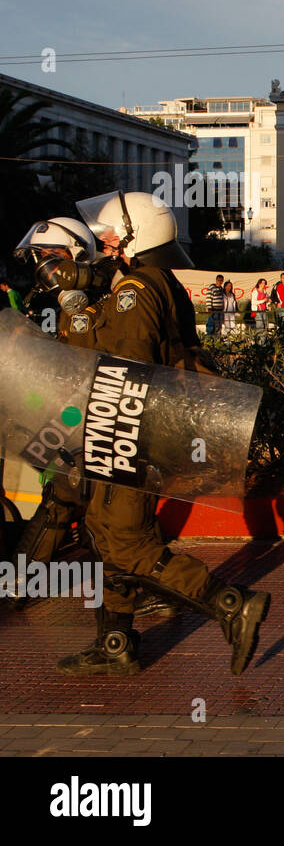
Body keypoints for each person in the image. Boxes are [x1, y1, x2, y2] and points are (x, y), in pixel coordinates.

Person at [45, 191, 270, 676]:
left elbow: (123, 366)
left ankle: (230, 603)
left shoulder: (137, 291)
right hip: (127, 428)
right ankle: (115, 643)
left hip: (131, 429)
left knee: (127, 543)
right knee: (106, 535)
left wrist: (78, 310)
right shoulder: (145, 284)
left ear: (133, 237)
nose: (100, 247)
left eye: (107, 238)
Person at [4, 217, 174, 619]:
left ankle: (143, 590)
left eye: (54, 256)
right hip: (75, 413)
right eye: (40, 257)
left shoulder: (109, 292)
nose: (46, 265)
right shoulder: (51, 297)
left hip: (114, 415)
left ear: (79, 254)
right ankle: (20, 584)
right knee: (71, 499)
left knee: (107, 508)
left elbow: (115, 353)